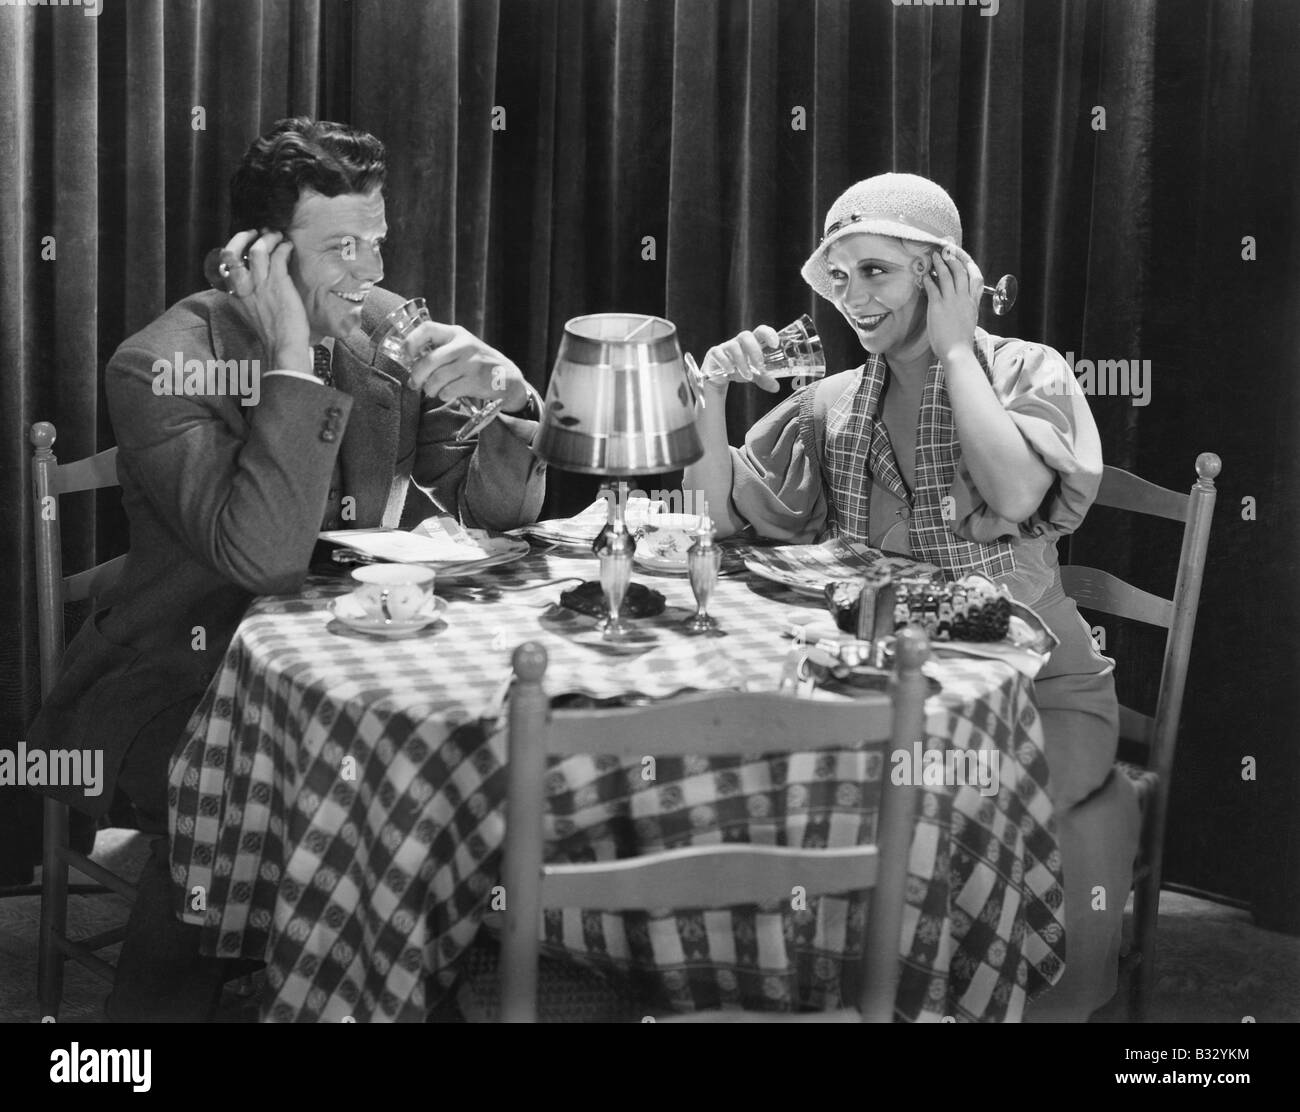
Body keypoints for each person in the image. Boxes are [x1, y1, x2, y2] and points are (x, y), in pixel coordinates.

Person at [27, 117, 547, 1021]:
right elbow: (262, 558)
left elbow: (497, 510)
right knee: (260, 787)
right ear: (253, 257)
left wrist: (512, 402)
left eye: (375, 242)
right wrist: (293, 361)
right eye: (339, 248)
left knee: (429, 776)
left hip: (351, 670)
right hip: (174, 677)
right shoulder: (164, 365)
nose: (371, 274)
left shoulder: (382, 347)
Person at [682, 172, 1141, 1021]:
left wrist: (959, 347)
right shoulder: (828, 404)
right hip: (884, 688)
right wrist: (708, 399)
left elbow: (1011, 497)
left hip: (1031, 696)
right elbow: (720, 520)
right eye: (842, 274)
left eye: (879, 271)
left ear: (942, 276)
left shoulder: (1019, 370)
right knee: (800, 797)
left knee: (919, 815)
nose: (855, 297)